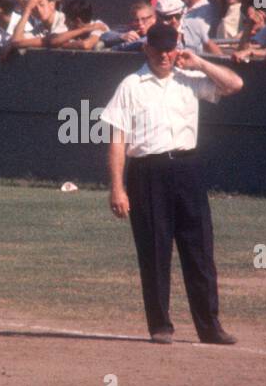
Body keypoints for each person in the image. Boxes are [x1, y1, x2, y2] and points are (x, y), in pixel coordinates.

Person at [101, 21, 243, 345]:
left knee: (200, 249)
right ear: (146, 48)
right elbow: (117, 140)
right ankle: (160, 324)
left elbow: (235, 84)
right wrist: (117, 187)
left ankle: (210, 326)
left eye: (170, 49)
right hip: (147, 171)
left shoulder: (189, 80)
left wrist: (201, 62)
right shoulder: (131, 85)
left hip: (187, 168)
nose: (165, 56)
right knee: (154, 249)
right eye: (159, 49)